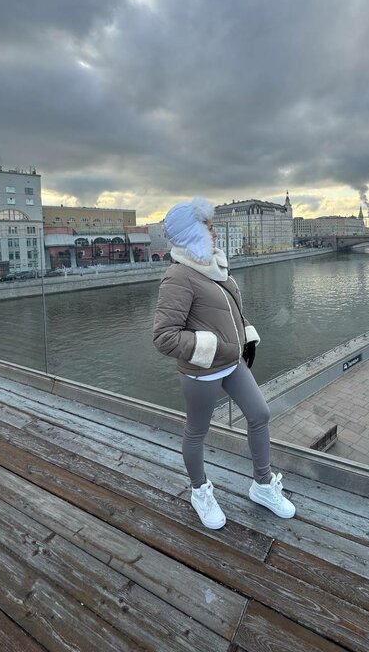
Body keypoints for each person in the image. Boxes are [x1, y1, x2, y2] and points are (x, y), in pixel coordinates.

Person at [153, 197, 295, 530]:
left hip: (232, 362)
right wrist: (211, 346)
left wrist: (246, 335)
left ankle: (262, 485)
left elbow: (229, 312)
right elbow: (164, 337)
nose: (214, 231)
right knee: (197, 432)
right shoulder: (179, 276)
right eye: (207, 226)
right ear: (190, 233)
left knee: (259, 414)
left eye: (212, 225)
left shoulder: (214, 265)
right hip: (202, 373)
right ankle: (200, 491)